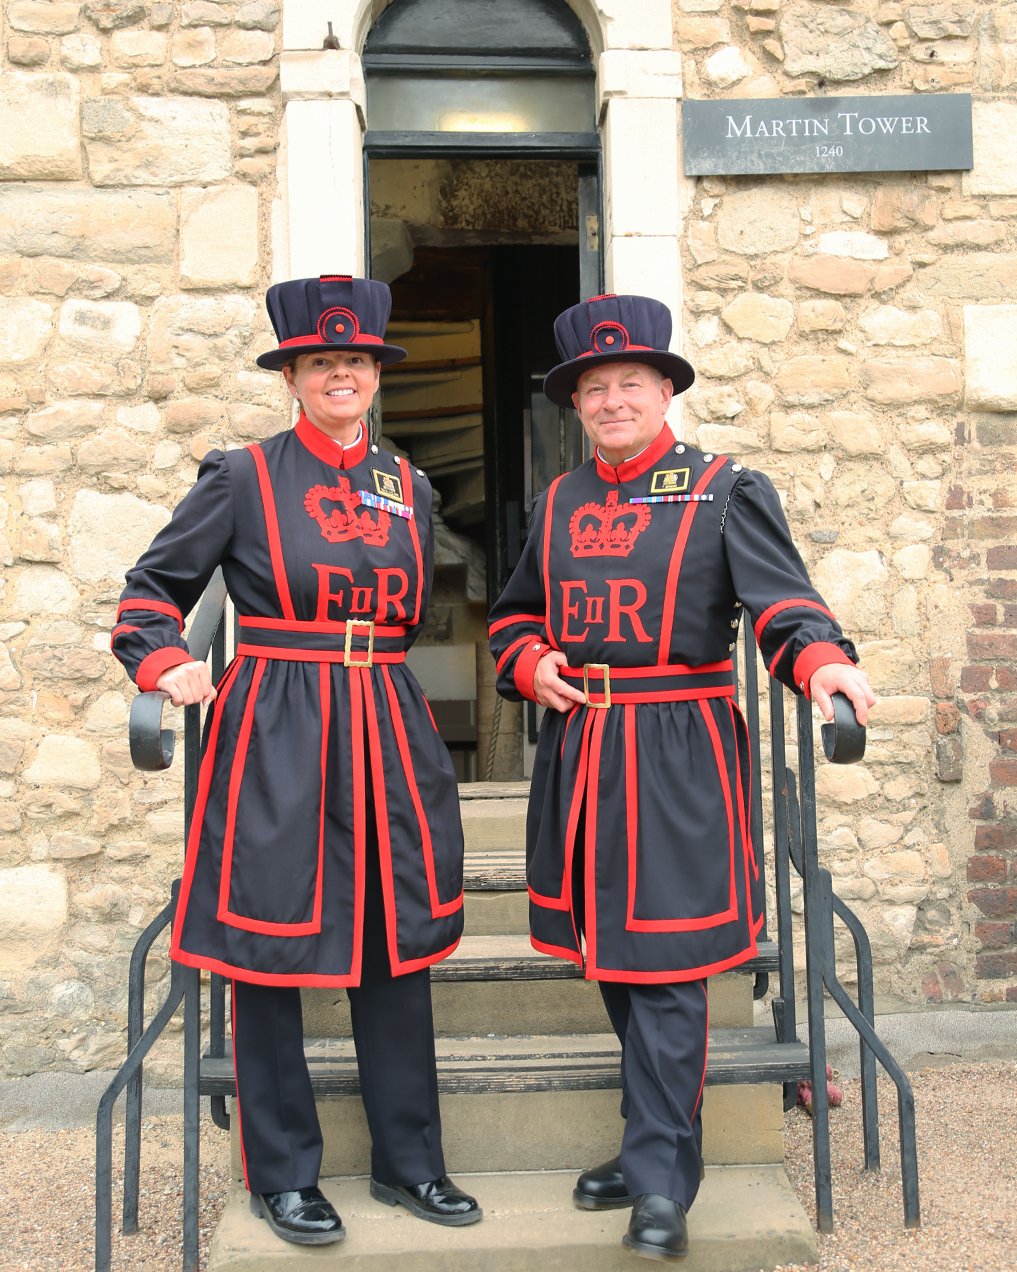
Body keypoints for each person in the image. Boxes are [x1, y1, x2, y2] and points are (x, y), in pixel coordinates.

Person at [487, 293, 874, 1261]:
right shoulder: (559, 501)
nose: (613, 400)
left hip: (681, 748)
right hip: (581, 754)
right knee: (611, 961)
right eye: (594, 389)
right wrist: (531, 662)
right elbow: (513, 616)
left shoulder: (726, 489)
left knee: (666, 972)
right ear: (575, 406)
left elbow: (783, 604)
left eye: (631, 383)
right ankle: (651, 1137)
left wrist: (823, 663)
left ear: (665, 390)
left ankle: (661, 1183)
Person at [113, 275, 482, 1246]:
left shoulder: (412, 483)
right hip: (276, 725)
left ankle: (411, 1165)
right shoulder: (242, 476)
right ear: (295, 377)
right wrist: (166, 662)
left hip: (389, 727)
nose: (340, 376)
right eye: (322, 363)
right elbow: (153, 587)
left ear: (374, 373)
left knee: (393, 952)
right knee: (268, 952)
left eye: (354, 360)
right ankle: (283, 1175)